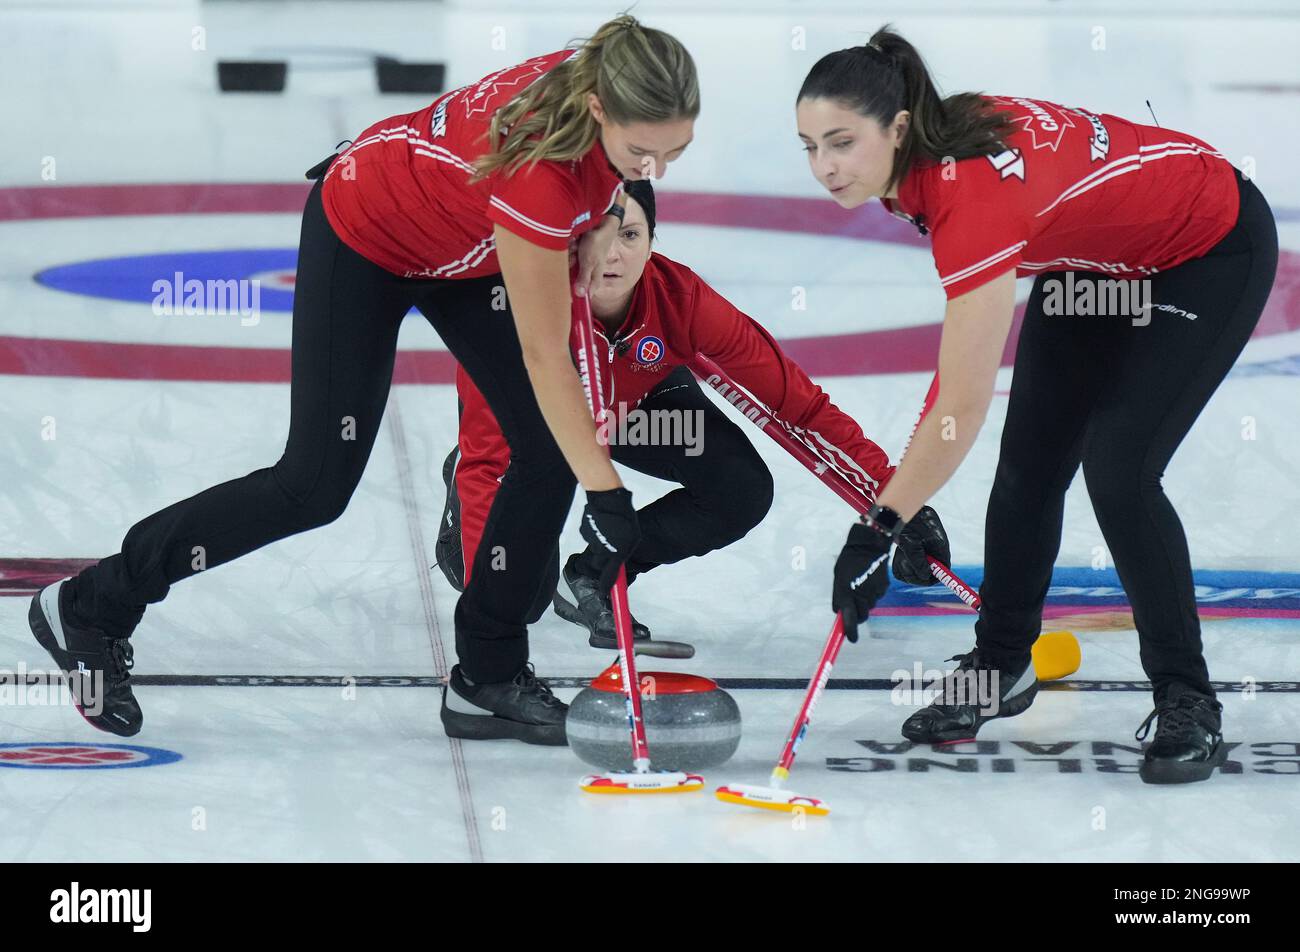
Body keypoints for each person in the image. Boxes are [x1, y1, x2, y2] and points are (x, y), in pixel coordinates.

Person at [29, 15, 700, 747]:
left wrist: (591, 472)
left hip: (458, 240)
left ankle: (487, 676)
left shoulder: (598, 75)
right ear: (599, 107)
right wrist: (606, 490)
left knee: (544, 447)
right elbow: (547, 356)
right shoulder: (539, 178)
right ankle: (93, 602)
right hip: (366, 233)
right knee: (313, 485)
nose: (653, 173)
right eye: (642, 152)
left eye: (675, 151)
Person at [798, 26, 1277, 783]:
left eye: (841, 143)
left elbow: (958, 402)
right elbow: (958, 381)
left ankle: (1188, 697)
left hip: (1207, 250)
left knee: (1119, 469)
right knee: (1029, 464)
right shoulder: (922, 149)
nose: (824, 169)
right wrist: (891, 514)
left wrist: (880, 526)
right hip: (1094, 262)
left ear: (895, 128)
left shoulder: (969, 199)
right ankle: (1000, 665)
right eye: (810, 147)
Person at [434, 178, 949, 654]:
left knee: (739, 488)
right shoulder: (515, 310)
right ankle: (467, 504)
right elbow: (488, 461)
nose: (611, 255)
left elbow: (799, 406)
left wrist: (896, 502)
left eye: (630, 235)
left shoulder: (680, 299)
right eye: (594, 234)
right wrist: (494, 613)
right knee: (518, 597)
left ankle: (597, 572)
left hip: (633, 413)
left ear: (654, 240)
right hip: (539, 429)